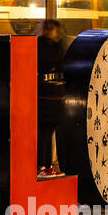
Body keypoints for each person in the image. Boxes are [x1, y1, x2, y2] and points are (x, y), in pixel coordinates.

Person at [36, 19, 65, 179]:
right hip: (46, 95)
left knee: (47, 132)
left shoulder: (57, 45)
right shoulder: (46, 46)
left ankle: (46, 165)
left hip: (53, 95)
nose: (49, 32)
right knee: (44, 132)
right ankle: (42, 165)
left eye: (51, 29)